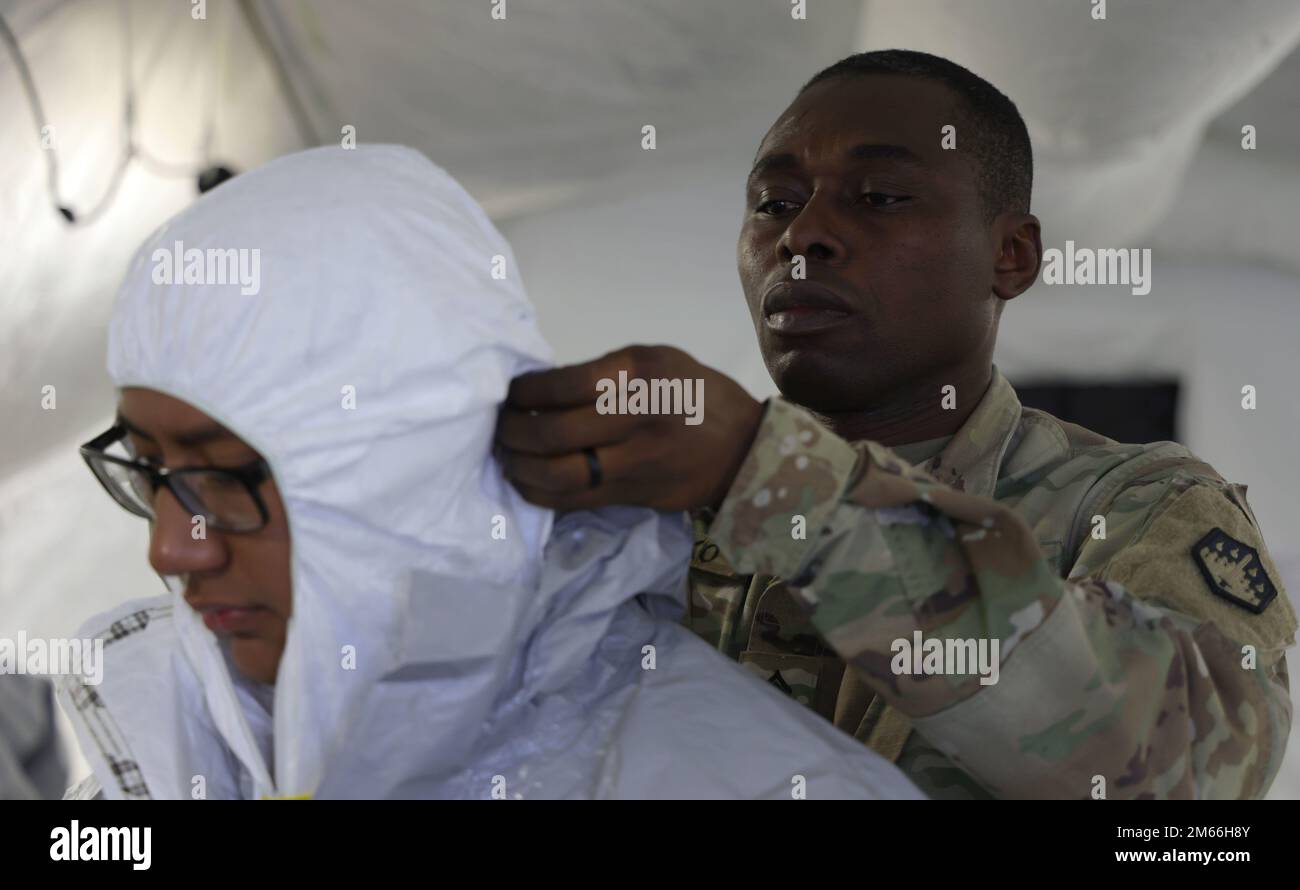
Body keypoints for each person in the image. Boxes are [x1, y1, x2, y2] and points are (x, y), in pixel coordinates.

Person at [494, 50, 1296, 799]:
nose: (802, 236)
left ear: (1009, 255)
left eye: (879, 197)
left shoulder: (1135, 506)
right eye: (774, 204)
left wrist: (764, 473)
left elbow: (1188, 792)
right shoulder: (646, 497)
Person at [57, 143, 922, 800]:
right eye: (150, 467)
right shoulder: (160, 750)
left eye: (221, 476)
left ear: (403, 475)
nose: (171, 550)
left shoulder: (754, 780)